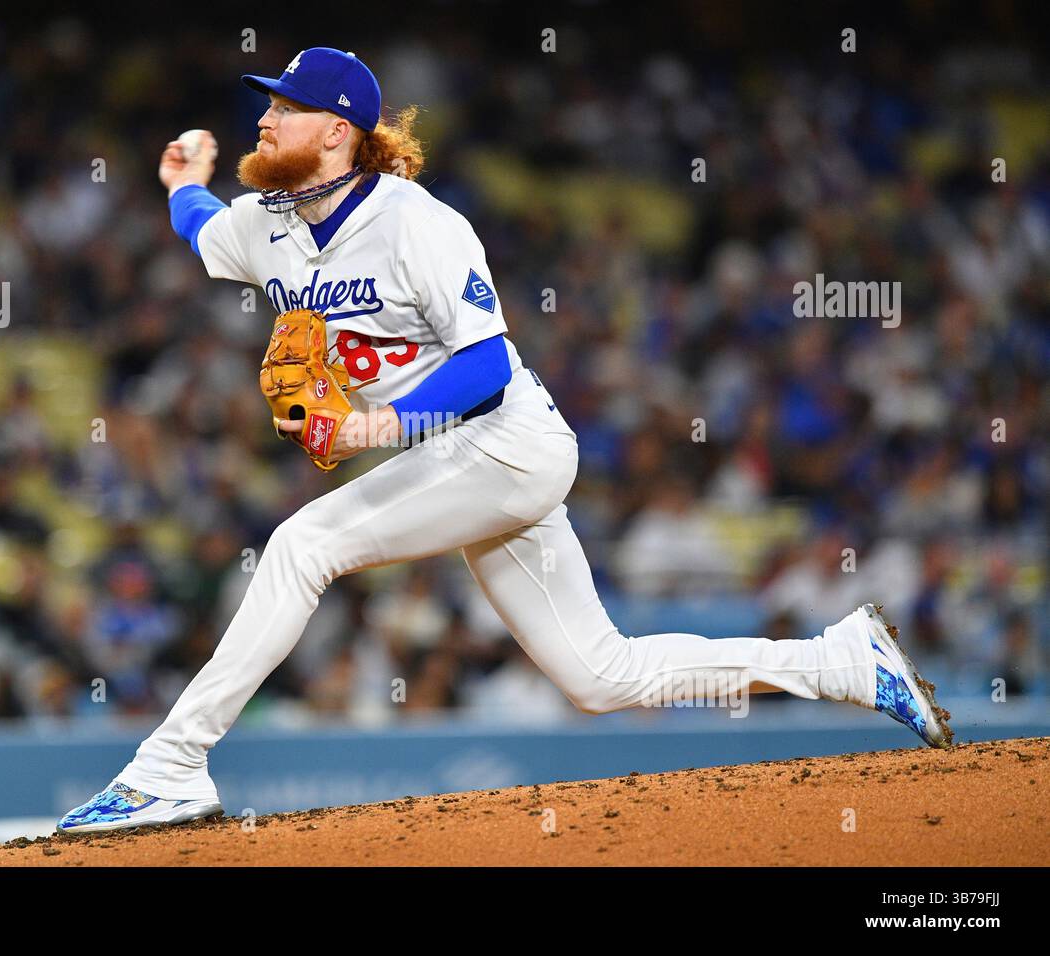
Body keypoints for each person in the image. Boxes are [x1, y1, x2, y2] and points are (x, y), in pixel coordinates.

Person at [57, 48, 950, 833]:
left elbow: (484, 366)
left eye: (282, 107)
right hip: (457, 468)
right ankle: (842, 662)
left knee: (300, 544)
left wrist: (379, 422)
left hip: (506, 441)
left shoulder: (418, 224)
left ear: (335, 132)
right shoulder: (273, 222)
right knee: (602, 678)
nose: (263, 117)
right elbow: (203, 227)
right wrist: (182, 178)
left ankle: (169, 768)